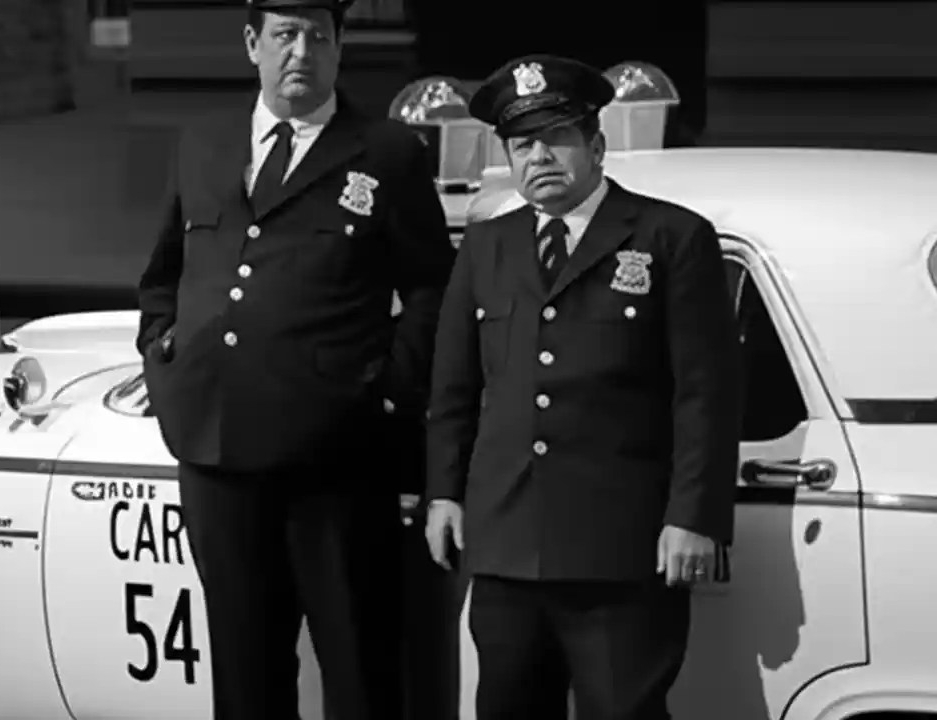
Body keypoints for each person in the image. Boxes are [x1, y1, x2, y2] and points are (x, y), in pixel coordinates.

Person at [134, 0, 456, 716]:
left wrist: (382, 391)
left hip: (335, 463)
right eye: (284, 35)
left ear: (340, 49)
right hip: (217, 455)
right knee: (245, 677)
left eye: (318, 36)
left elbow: (433, 287)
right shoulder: (206, 143)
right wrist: (168, 361)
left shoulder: (385, 152)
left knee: (359, 674)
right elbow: (164, 274)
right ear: (253, 44)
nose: (300, 51)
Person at [423, 54, 742, 719]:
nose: (538, 156)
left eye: (556, 137)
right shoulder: (487, 246)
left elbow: (705, 393)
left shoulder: (670, 237)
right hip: (507, 544)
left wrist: (694, 517)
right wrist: (444, 495)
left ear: (596, 145)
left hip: (620, 550)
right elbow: (454, 389)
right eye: (521, 143)